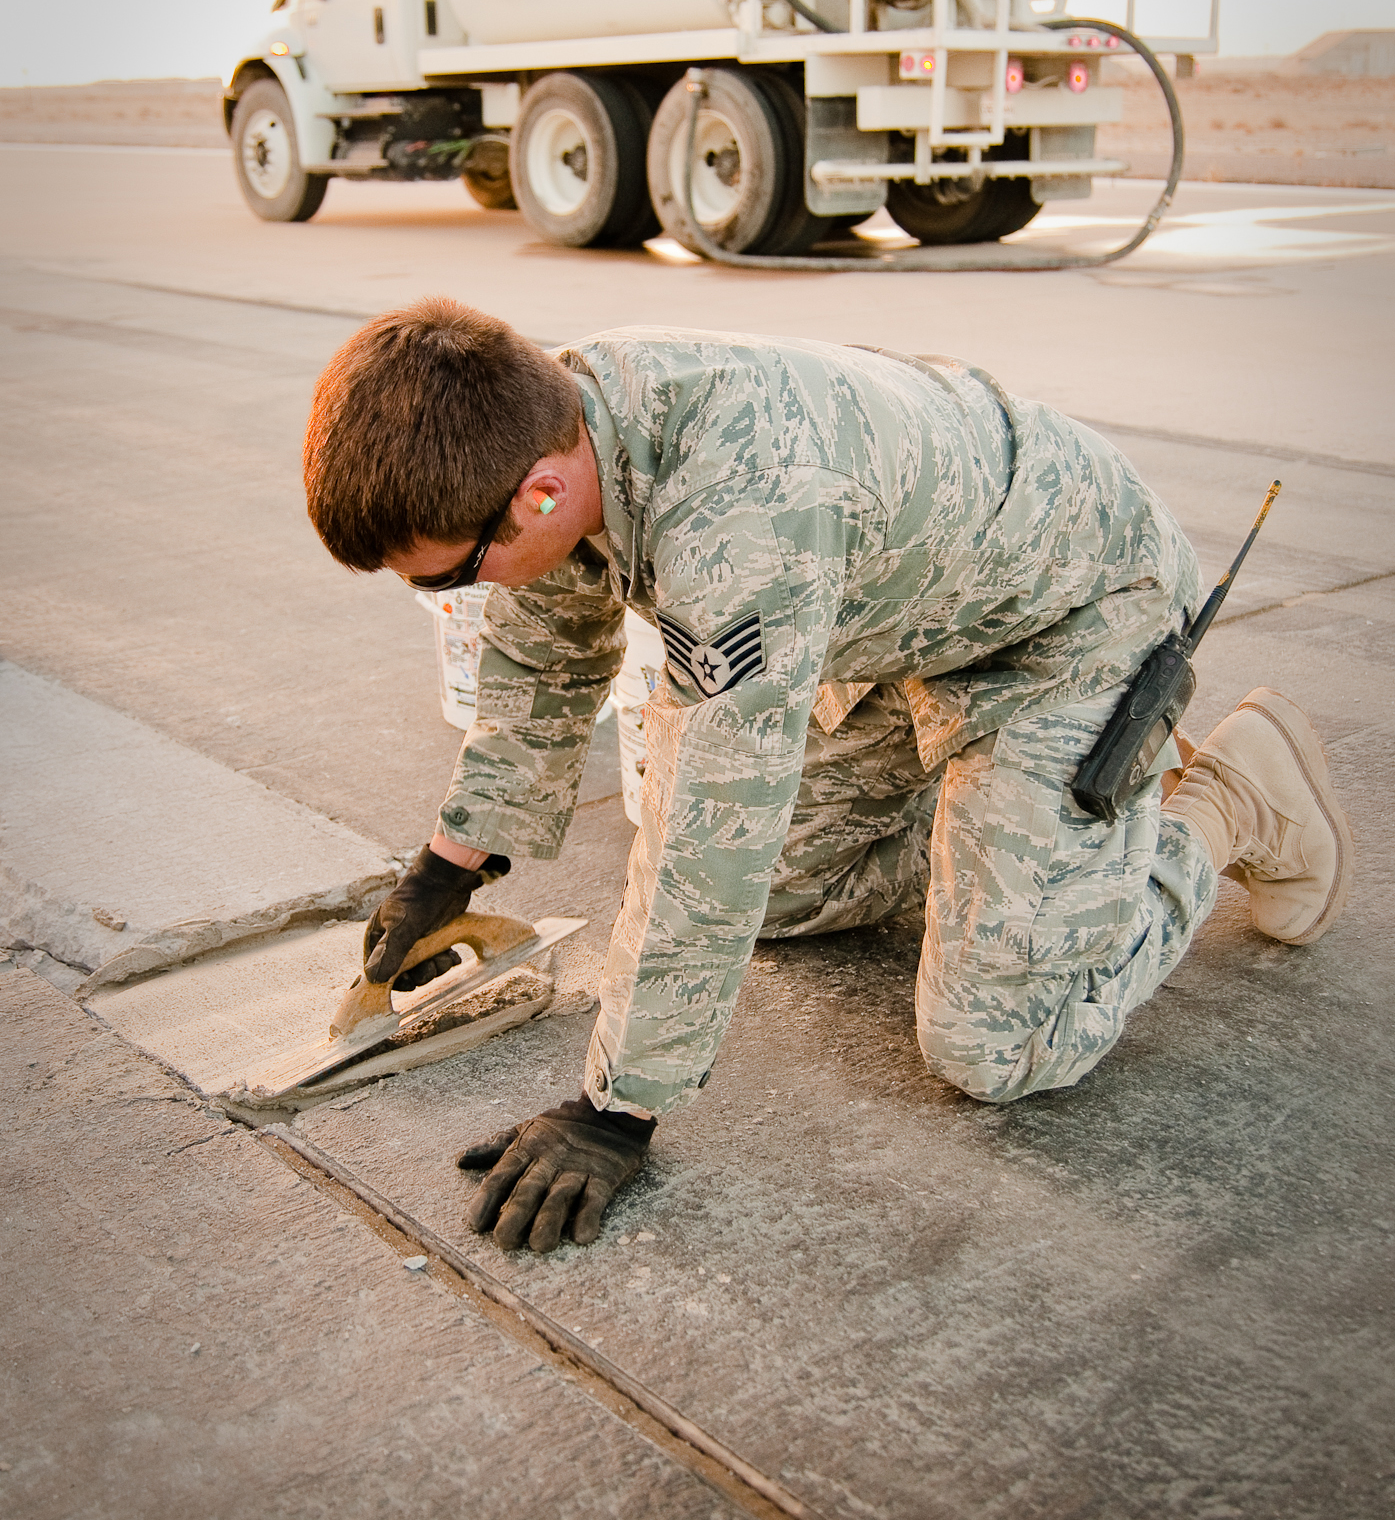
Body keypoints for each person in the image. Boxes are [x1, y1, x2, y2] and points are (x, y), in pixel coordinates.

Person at [303, 299, 1353, 1255]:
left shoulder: (737, 515)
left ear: (539, 493)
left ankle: (1221, 804)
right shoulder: (557, 425)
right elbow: (541, 661)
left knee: (995, 1045)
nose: (444, 596)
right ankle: (1018, 841)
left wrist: (614, 1112)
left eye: (445, 574)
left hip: (1073, 622)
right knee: (791, 890)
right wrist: (449, 867)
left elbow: (712, 835)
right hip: (915, 623)